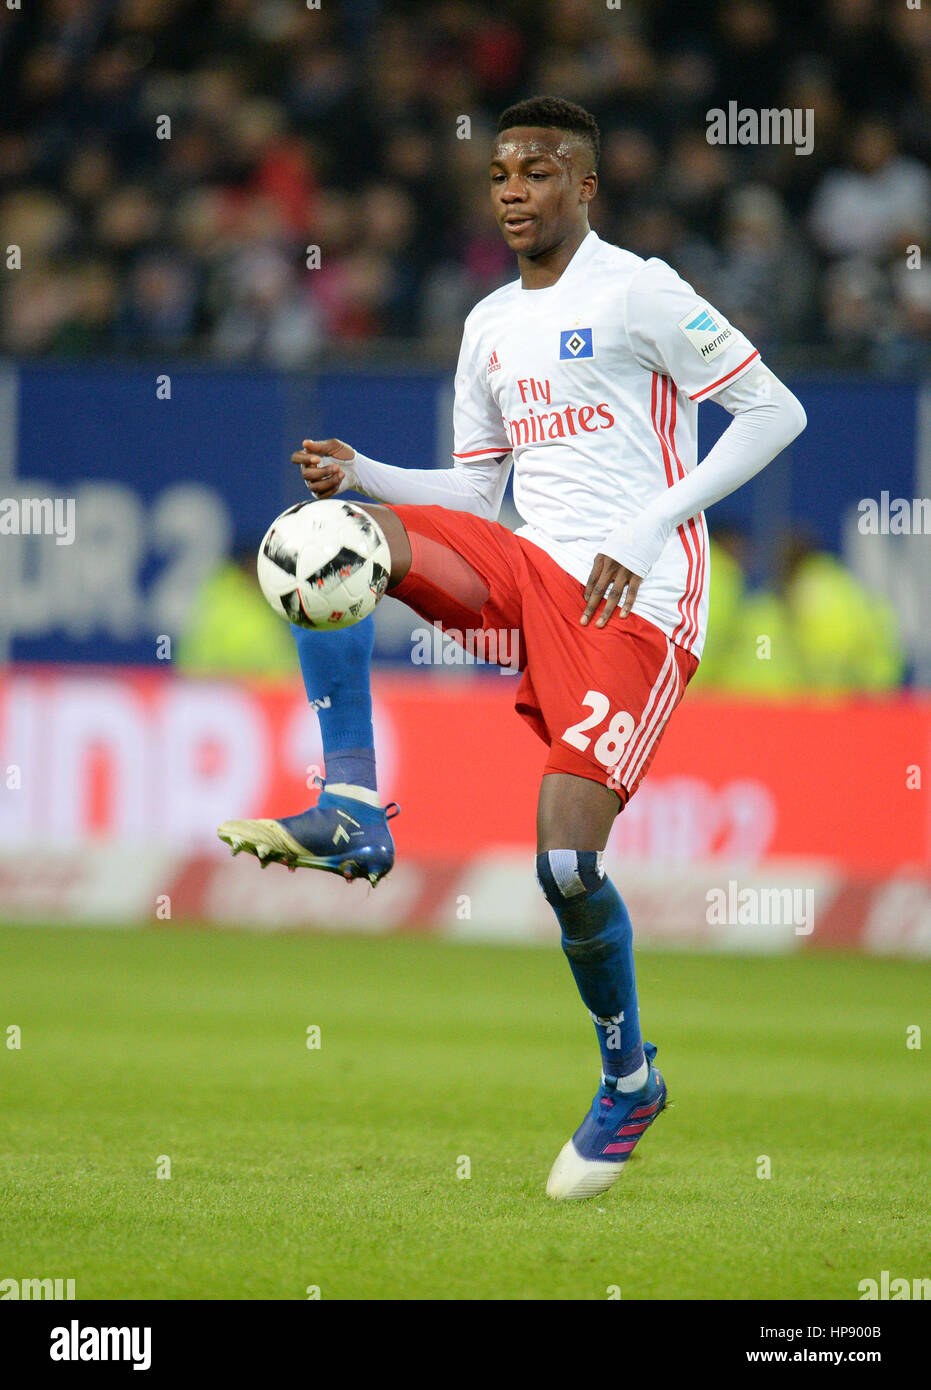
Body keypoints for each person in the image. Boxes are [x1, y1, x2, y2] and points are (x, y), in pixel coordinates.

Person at [219, 97, 807, 1201]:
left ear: (584, 187)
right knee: (327, 539)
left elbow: (775, 414)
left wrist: (645, 525)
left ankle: (629, 1078)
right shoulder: (487, 320)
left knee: (566, 863)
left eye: (537, 172)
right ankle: (350, 804)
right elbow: (480, 491)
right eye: (499, 174)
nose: (512, 191)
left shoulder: (641, 290)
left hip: (638, 602)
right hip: (528, 574)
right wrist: (371, 475)